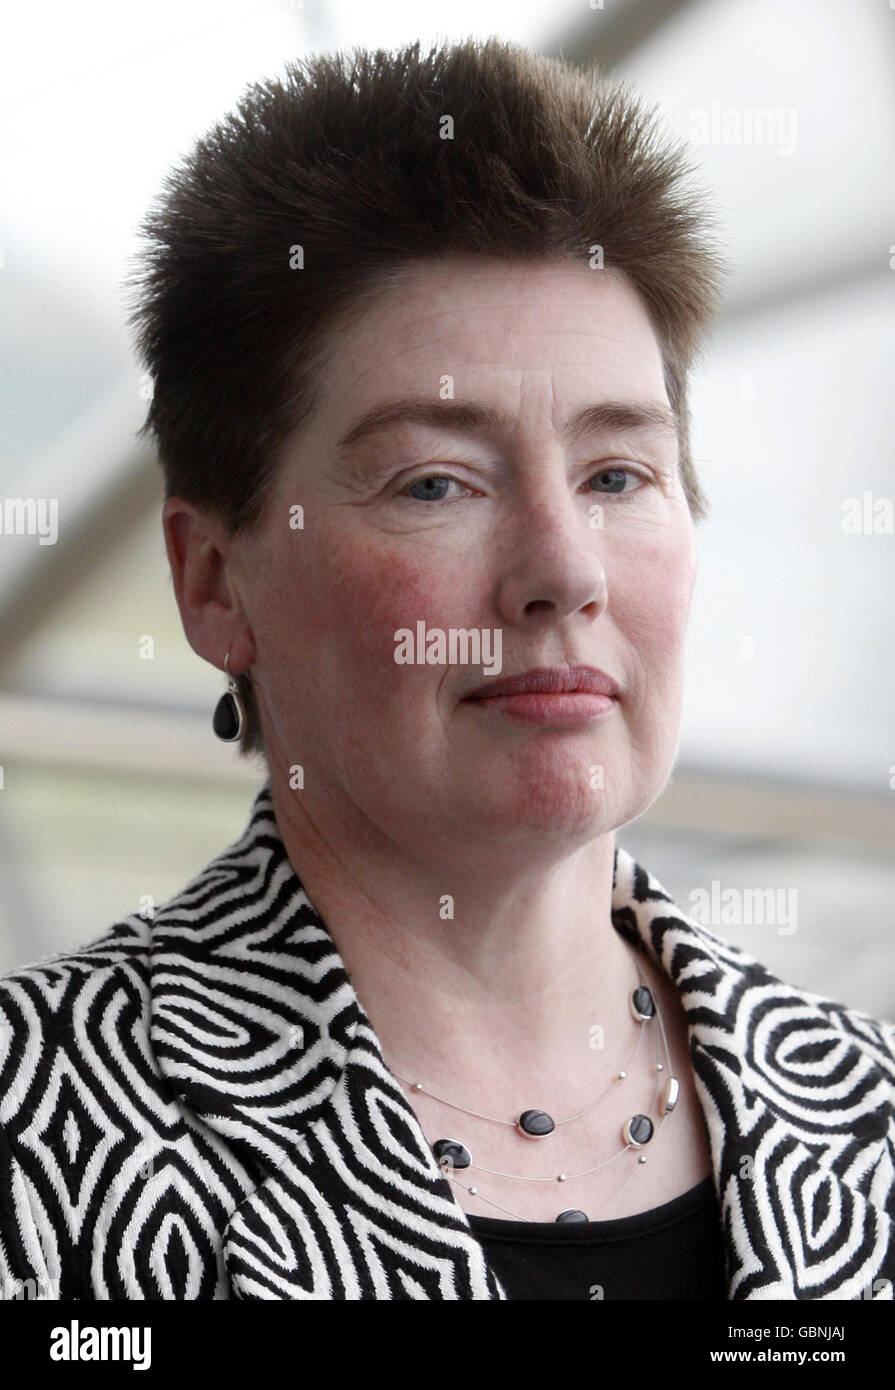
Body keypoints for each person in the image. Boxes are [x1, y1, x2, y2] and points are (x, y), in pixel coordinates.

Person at [1, 36, 893, 1302]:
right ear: (213, 584)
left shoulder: (870, 1117)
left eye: (616, 475)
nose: (561, 569)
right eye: (437, 481)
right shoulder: (43, 1153)